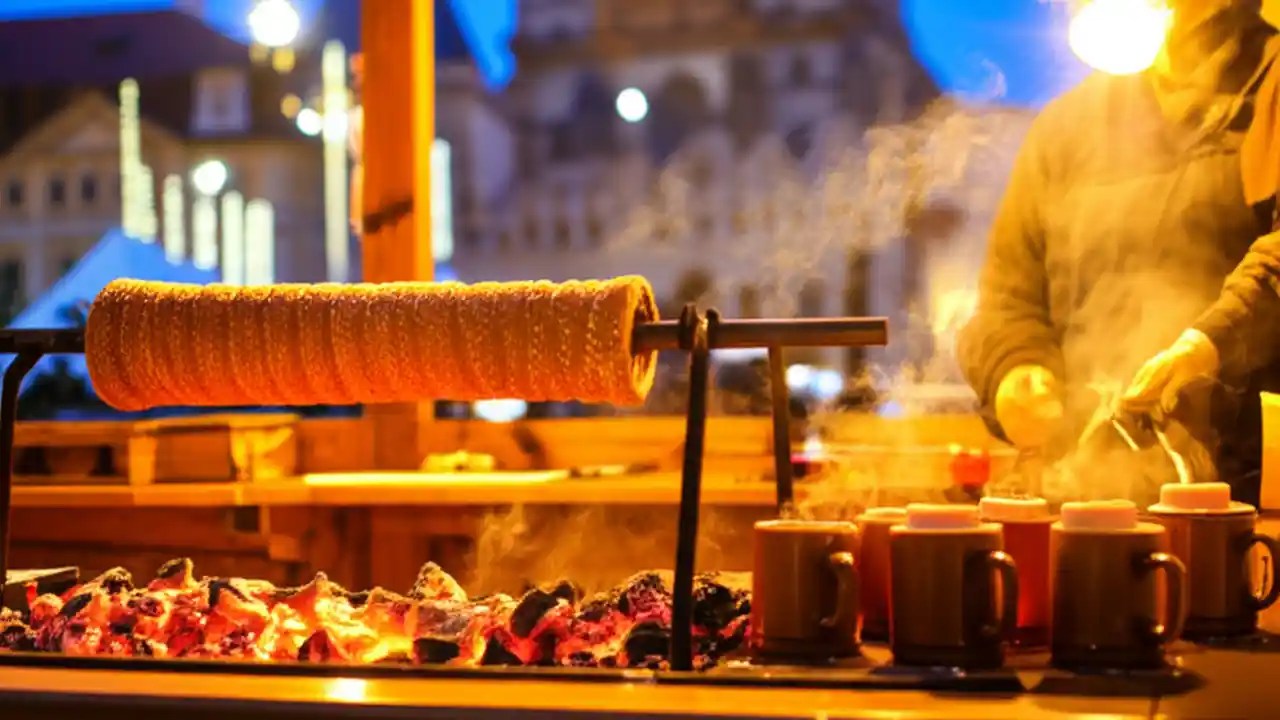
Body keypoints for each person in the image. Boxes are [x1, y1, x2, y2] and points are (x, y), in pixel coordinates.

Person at [958, 0, 1280, 505]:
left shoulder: (1270, 90)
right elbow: (1007, 299)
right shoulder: (1067, 128)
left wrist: (1207, 345)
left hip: (1246, 499)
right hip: (1087, 496)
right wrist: (1014, 372)